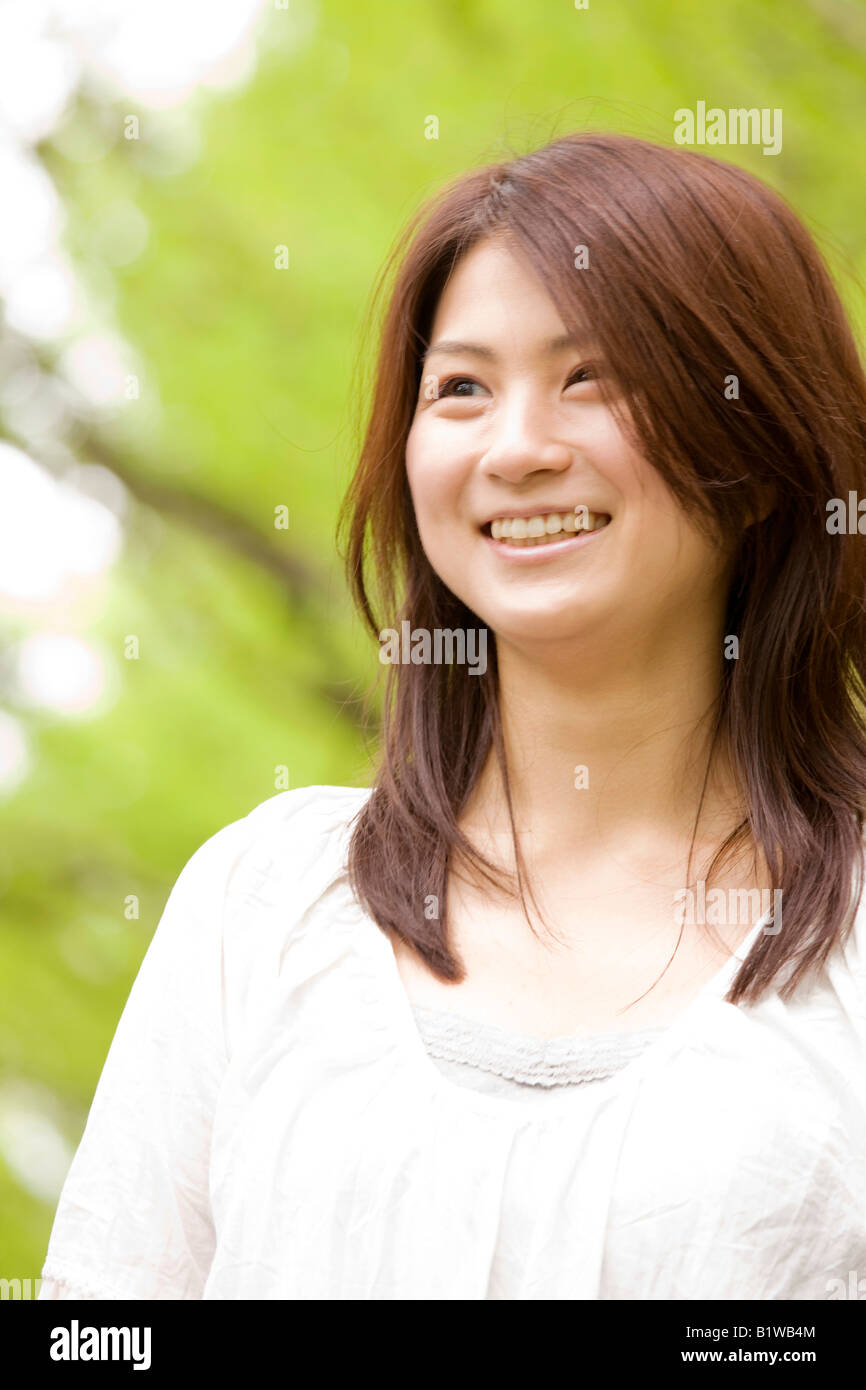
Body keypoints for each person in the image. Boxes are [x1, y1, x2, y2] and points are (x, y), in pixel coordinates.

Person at [39, 131, 866, 1300]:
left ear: (759, 449)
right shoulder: (263, 903)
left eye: (592, 378)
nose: (516, 450)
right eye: (461, 389)